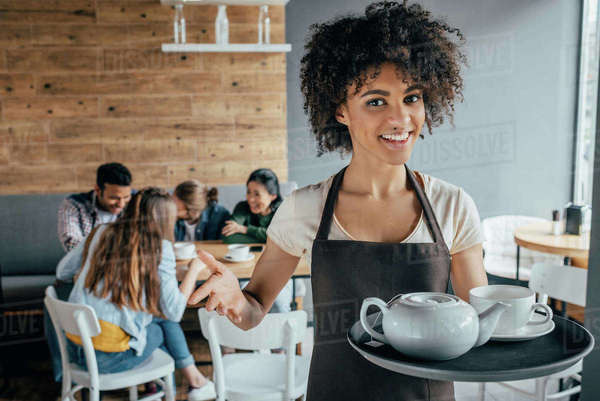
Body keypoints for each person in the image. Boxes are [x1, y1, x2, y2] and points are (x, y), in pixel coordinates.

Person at [188, 2, 487, 400]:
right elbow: (254, 308)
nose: (401, 118)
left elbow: (478, 325)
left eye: (412, 97)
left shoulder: (452, 205)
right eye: (376, 101)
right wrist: (233, 298)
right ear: (341, 110)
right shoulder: (304, 209)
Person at [55, 188, 216, 401]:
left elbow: (62, 272)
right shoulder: (160, 247)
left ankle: (195, 381)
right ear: (165, 219)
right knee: (164, 322)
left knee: (156, 317)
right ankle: (195, 381)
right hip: (109, 359)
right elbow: (175, 311)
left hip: (75, 349)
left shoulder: (100, 232)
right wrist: (194, 270)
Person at [58, 162, 133, 252]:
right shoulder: (75, 205)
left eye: (126, 197)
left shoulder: (136, 202)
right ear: (97, 190)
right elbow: (71, 243)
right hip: (87, 264)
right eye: (114, 198)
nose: (121, 204)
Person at [222, 168, 283, 244]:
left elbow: (282, 237)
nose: (250, 199)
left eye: (257, 194)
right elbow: (228, 236)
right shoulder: (242, 207)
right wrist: (269, 240)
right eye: (248, 192)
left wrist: (245, 229)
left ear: (273, 196)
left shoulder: (282, 210)